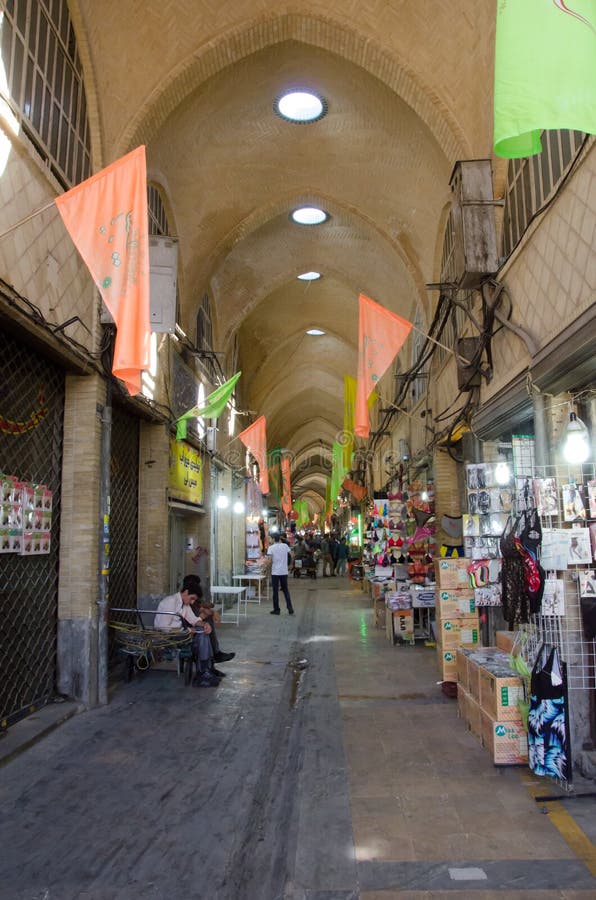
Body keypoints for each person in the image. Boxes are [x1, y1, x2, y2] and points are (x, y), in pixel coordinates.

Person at [154, 575, 221, 687]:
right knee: (201, 636)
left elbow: (193, 620)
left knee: (202, 631)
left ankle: (206, 670)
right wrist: (187, 630)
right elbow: (163, 627)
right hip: (169, 636)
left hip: (180, 634)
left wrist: (204, 624)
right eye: (192, 598)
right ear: (185, 592)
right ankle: (203, 672)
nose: (192, 602)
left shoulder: (184, 604)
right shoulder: (171, 602)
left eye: (194, 599)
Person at [267, 532, 294, 615]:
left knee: (275, 591)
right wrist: (291, 564)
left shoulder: (271, 548)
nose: (269, 540)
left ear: (274, 539)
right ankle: (290, 608)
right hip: (284, 571)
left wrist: (267, 568)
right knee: (285, 590)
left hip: (275, 572)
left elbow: (270, 561)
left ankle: (276, 609)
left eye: (270, 538)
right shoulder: (285, 546)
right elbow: (292, 555)